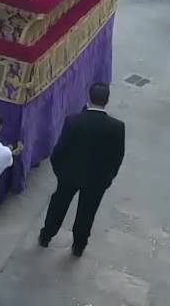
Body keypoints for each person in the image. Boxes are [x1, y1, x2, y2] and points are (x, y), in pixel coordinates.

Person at [38, 82, 126, 257]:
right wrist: (108, 178)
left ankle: (47, 235)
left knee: (58, 206)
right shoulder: (117, 126)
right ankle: (79, 245)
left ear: (89, 97)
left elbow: (59, 150)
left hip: (69, 175)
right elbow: (117, 157)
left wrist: (60, 172)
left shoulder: (74, 120)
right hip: (97, 180)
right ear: (107, 101)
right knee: (88, 212)